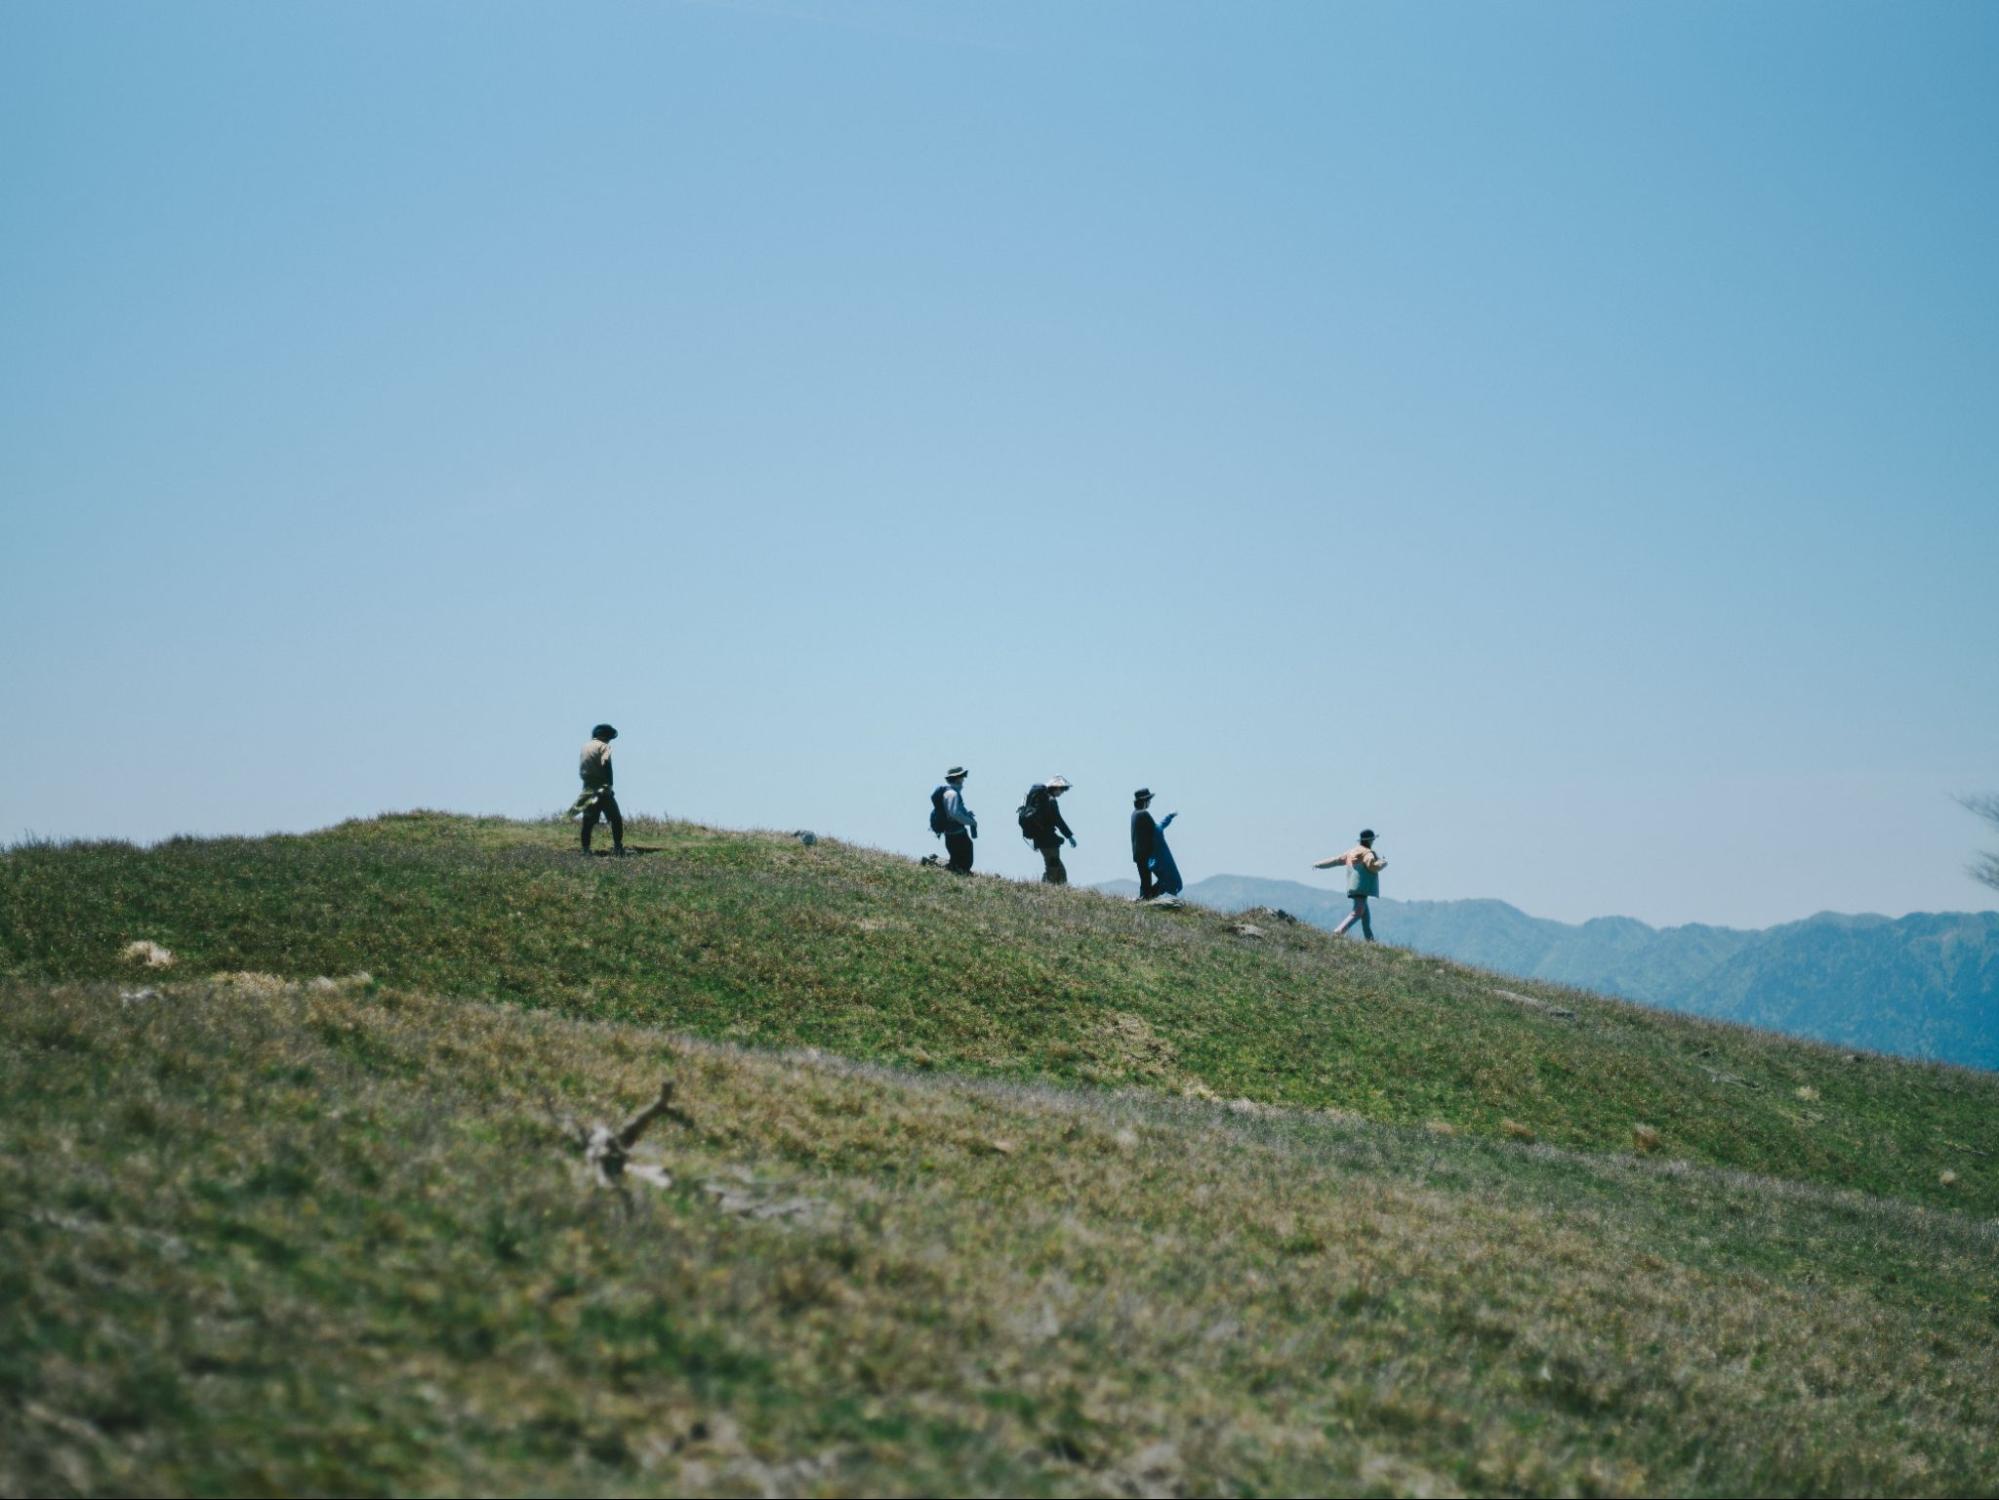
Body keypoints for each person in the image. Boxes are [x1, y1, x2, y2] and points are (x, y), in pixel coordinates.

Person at [1314, 828, 1386, 939]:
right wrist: (1382, 862)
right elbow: (1372, 866)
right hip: (1362, 887)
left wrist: (1318, 864)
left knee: (1365, 917)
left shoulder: (1351, 852)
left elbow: (1335, 860)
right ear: (1370, 840)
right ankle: (1338, 933)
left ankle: (1370, 940)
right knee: (1357, 912)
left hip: (1353, 886)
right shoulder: (1367, 853)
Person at [569, 723, 624, 856]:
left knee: (588, 821)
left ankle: (585, 850)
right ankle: (617, 848)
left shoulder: (585, 747)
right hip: (602, 788)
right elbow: (606, 765)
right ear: (604, 736)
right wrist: (609, 786)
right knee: (615, 819)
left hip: (587, 787)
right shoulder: (604, 747)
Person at [1019, 776, 1078, 884]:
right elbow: (1058, 820)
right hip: (1048, 840)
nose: (1062, 792)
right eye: (1062, 789)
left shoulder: (1040, 800)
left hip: (1041, 839)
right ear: (1056, 788)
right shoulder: (1050, 801)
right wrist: (1069, 836)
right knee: (1052, 868)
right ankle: (1045, 890)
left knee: (1059, 871)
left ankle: (1059, 893)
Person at [1130, 788, 1181, 900]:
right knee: (1164, 881)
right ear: (1144, 801)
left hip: (1138, 855)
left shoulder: (1134, 814)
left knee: (1145, 883)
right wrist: (1169, 817)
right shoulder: (1144, 814)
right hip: (1147, 855)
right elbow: (1157, 830)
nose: (1150, 802)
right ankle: (1144, 900)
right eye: (1149, 800)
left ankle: (1143, 900)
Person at [930, 766, 978, 874]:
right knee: (963, 864)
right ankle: (935, 863)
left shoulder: (949, 792)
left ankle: (937, 863)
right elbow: (954, 813)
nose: (964, 779)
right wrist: (971, 822)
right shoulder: (952, 794)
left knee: (957, 862)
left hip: (951, 834)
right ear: (957, 778)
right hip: (957, 834)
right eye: (962, 776)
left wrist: (966, 814)